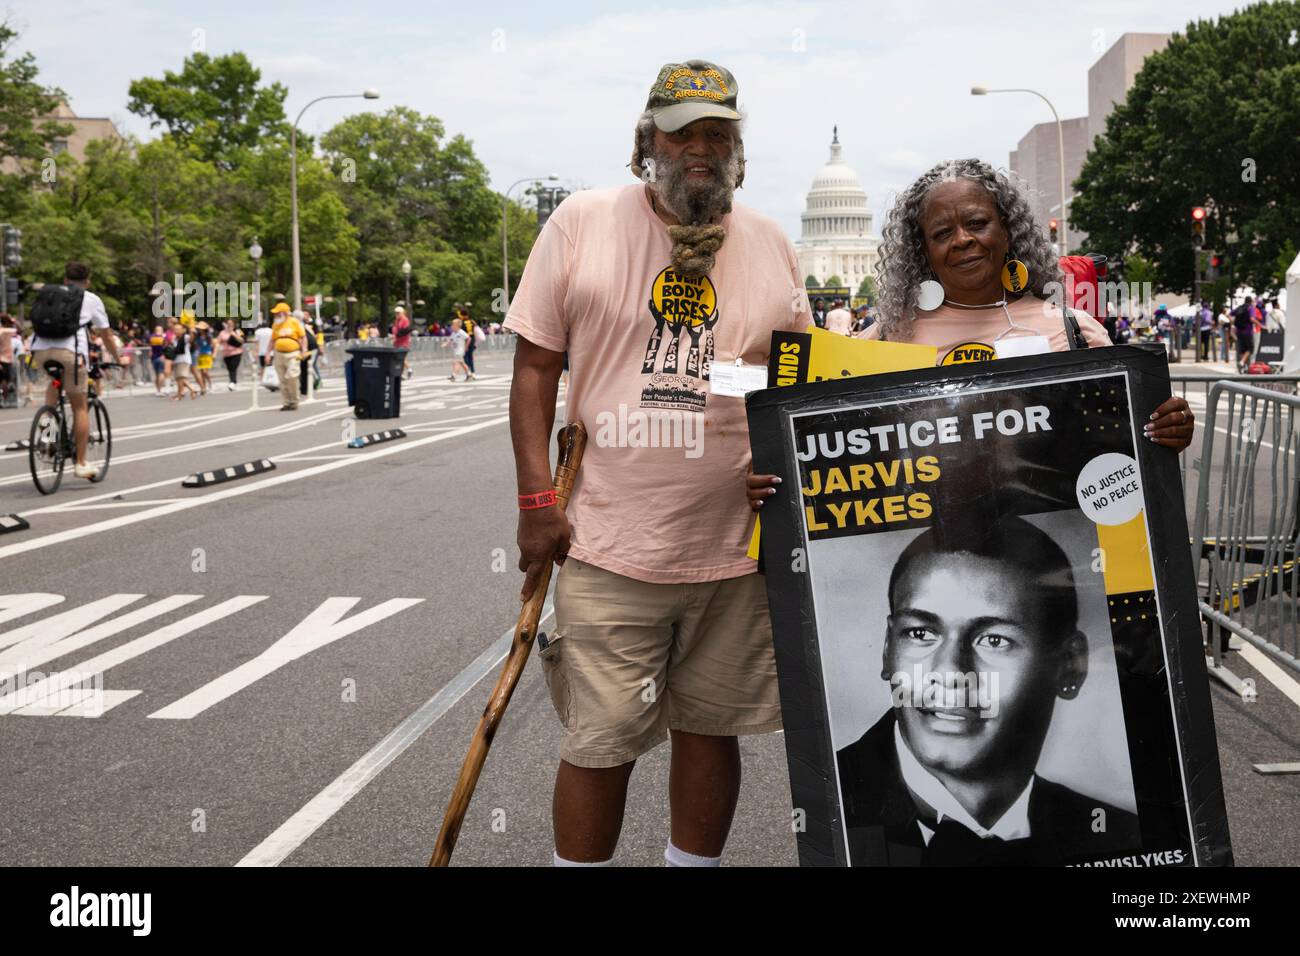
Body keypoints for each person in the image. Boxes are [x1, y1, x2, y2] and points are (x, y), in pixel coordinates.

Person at [506, 58, 809, 867]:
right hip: (610, 543)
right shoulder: (580, 222)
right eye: (682, 134)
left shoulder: (773, 244)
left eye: (718, 133)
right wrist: (538, 504)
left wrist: (776, 454)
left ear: (738, 146)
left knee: (712, 729)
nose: (699, 149)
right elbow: (535, 369)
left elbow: (793, 379)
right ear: (648, 141)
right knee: (601, 740)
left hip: (735, 548)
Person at [835, 515, 1142, 866]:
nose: (950, 673)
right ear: (888, 648)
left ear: (1070, 664)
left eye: (994, 640)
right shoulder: (823, 801)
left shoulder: (1123, 835)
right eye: (920, 633)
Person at [852, 159, 1193, 449]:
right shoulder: (883, 342)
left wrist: (1167, 428)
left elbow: (1121, 441)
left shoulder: (1075, 331)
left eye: (976, 223)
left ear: (1008, 230)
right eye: (942, 233)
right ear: (922, 250)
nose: (962, 240)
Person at [29, 261, 122, 478]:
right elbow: (106, 335)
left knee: (53, 390)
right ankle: (80, 463)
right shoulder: (91, 299)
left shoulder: (49, 293)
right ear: (87, 281)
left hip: (40, 352)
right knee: (80, 407)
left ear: (65, 280)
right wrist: (118, 357)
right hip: (70, 354)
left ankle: (48, 438)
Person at [271, 304, 307, 410]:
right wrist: (268, 353)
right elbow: (272, 339)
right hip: (278, 353)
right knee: (282, 379)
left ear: (285, 313)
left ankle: (294, 400)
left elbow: (303, 337)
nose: (276, 314)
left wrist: (304, 350)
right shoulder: (275, 324)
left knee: (292, 376)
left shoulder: (294, 322)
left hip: (293, 353)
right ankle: (286, 402)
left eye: (278, 312)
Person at [170, 323, 197, 400]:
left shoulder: (185, 337)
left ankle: (191, 390)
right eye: (175, 329)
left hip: (184, 360)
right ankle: (180, 394)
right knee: (179, 379)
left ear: (182, 330)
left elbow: (191, 339)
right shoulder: (174, 338)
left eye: (178, 329)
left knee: (181, 378)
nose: (176, 331)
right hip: (176, 360)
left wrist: (191, 331)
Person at [217, 319, 244, 390]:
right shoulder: (222, 333)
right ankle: (232, 382)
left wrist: (233, 334)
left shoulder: (237, 331)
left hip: (237, 353)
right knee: (230, 369)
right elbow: (218, 342)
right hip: (226, 354)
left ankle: (232, 382)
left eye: (231, 324)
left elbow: (242, 340)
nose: (229, 325)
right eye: (228, 323)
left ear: (234, 324)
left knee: (233, 367)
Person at [1233, 296, 1257, 371]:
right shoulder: (1250, 308)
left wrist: (1233, 323)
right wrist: (1261, 325)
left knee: (1242, 350)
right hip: (1248, 332)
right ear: (1251, 302)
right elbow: (1252, 319)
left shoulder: (1239, 308)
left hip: (1239, 332)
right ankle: (1242, 362)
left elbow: (1229, 315)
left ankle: (1243, 367)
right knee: (1250, 349)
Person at [445, 317, 471, 381]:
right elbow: (450, 339)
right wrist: (446, 343)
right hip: (456, 350)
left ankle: (454, 375)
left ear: (457, 325)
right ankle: (469, 374)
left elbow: (468, 338)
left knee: (456, 362)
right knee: (461, 362)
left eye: (453, 324)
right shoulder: (454, 333)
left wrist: (466, 347)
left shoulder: (461, 332)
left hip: (460, 350)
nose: (452, 326)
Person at [392, 305, 413, 379]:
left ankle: (409, 369)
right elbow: (395, 329)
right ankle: (401, 373)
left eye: (398, 313)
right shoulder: (396, 320)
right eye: (396, 313)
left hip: (403, 342)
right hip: (397, 342)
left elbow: (404, 331)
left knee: (401, 358)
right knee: (399, 358)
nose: (396, 314)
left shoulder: (405, 320)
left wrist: (396, 335)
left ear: (402, 313)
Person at [194, 322, 214, 394]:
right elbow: (197, 346)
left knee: (205, 372)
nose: (200, 329)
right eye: (199, 328)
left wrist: (213, 353)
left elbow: (213, 345)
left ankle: (210, 385)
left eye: (201, 328)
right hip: (201, 355)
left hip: (207, 355)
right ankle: (204, 388)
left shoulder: (209, 336)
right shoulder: (198, 337)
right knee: (202, 372)